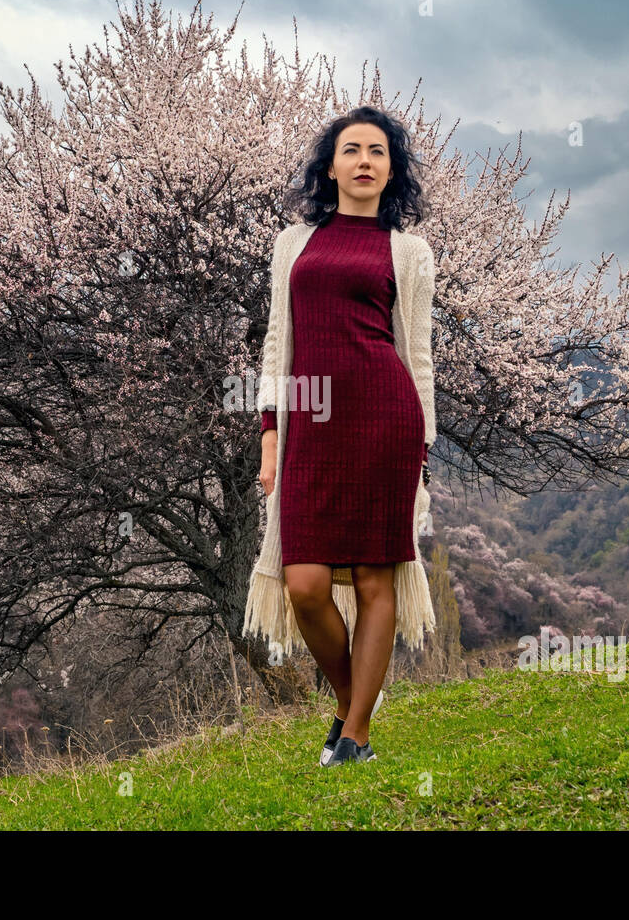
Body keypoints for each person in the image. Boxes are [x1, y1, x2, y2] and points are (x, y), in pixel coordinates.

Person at [250, 106, 437, 766]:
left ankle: (354, 736)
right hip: (310, 421)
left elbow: (418, 356)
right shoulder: (292, 245)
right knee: (303, 584)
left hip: (385, 417)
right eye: (351, 149)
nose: (364, 160)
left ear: (392, 169)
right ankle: (353, 699)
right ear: (330, 166)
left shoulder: (408, 252)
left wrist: (422, 449)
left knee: (371, 579)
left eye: (377, 151)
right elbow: (279, 341)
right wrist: (271, 435)